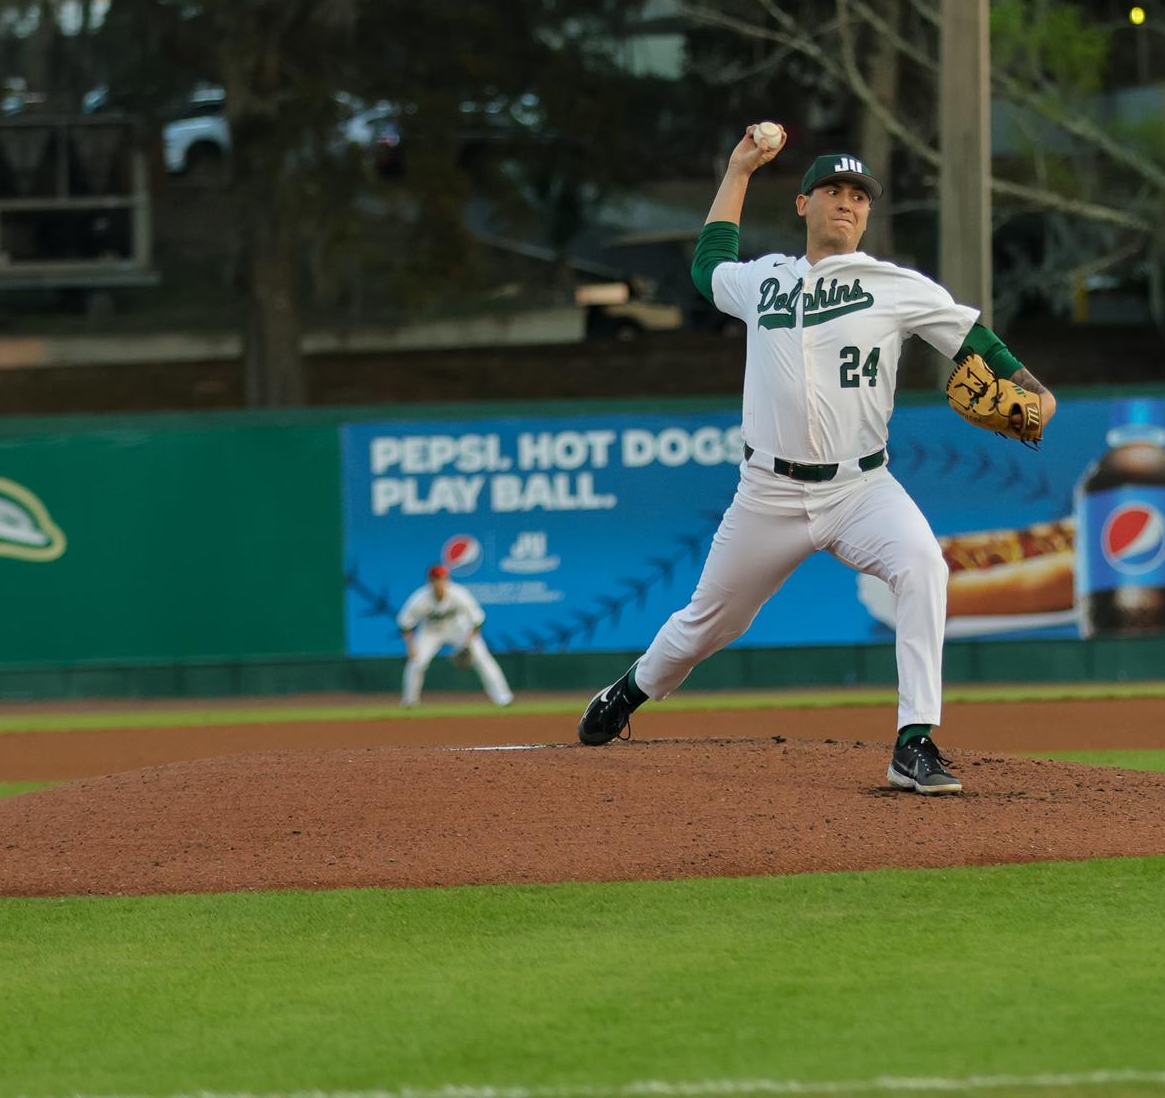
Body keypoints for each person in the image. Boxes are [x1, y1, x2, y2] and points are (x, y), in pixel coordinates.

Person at [576, 125, 1058, 795]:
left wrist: (1039, 394)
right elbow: (708, 265)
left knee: (923, 565)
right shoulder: (765, 280)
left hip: (862, 488)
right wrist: (740, 169)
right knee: (710, 623)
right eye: (833, 190)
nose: (847, 203)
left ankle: (914, 741)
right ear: (803, 204)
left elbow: (974, 338)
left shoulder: (893, 285)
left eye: (859, 196)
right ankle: (628, 692)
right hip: (767, 493)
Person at [396, 564, 514, 708]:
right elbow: (405, 625)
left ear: (447, 580)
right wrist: (411, 646)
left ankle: (503, 698)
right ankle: (409, 702)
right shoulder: (419, 598)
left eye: (442, 578)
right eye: (436, 579)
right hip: (430, 631)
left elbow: (477, 621)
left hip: (459, 629)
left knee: (482, 657)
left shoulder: (459, 594)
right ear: (430, 581)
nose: (439, 582)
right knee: (416, 662)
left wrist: (467, 645)